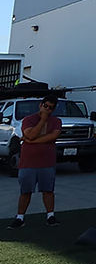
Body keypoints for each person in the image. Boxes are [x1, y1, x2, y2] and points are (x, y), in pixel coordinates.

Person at [9, 94, 62, 228]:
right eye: (45, 106)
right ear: (40, 105)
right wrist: (42, 120)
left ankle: (50, 216)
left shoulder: (56, 121)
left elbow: (52, 136)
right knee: (25, 191)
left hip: (47, 162)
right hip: (28, 163)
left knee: (48, 190)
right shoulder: (28, 120)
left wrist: (30, 141)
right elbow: (30, 134)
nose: (47, 109)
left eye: (50, 108)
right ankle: (20, 217)